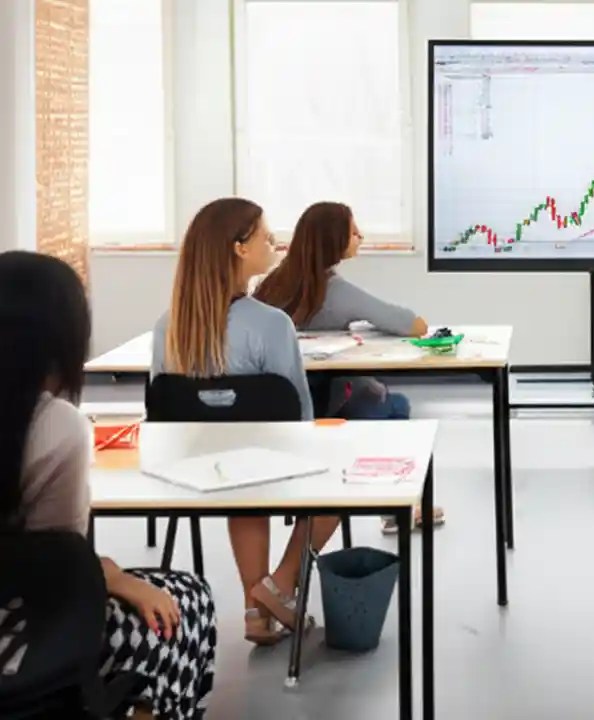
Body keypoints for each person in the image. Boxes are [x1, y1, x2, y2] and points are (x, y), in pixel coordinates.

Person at [0, 251, 216, 720]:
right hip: (21, 645)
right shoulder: (53, 425)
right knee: (185, 603)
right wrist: (116, 578)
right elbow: (57, 567)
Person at [152, 197, 341, 645]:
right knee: (344, 482)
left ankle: (257, 612)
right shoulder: (271, 325)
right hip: (266, 464)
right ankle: (279, 584)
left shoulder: (168, 325)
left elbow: (162, 407)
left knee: (244, 485)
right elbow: (298, 414)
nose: (275, 242)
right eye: (265, 235)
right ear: (239, 248)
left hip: (192, 466)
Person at [254, 201, 441, 532]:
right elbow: (413, 324)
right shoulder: (335, 290)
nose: (361, 236)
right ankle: (398, 508)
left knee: (370, 392)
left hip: (272, 410)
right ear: (334, 240)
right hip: (322, 407)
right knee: (396, 405)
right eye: (354, 232)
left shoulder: (271, 285)